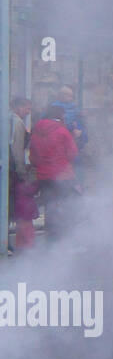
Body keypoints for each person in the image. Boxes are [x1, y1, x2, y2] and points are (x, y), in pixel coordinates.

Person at [27, 106, 80, 242]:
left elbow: (33, 158)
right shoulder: (62, 131)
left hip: (44, 177)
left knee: (49, 206)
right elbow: (72, 153)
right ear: (60, 116)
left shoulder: (36, 132)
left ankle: (51, 237)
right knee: (65, 205)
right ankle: (63, 238)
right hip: (62, 176)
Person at [8, 97, 35, 253]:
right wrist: (21, 173)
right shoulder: (17, 122)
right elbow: (17, 151)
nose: (27, 112)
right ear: (18, 107)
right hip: (11, 171)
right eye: (27, 109)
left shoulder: (7, 119)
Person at [49, 85, 88, 150]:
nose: (71, 98)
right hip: (62, 141)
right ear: (61, 95)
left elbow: (79, 124)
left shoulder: (74, 108)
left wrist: (80, 132)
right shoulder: (54, 109)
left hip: (74, 143)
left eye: (72, 96)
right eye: (69, 96)